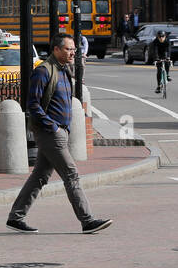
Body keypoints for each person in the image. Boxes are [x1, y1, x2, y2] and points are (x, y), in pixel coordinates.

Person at [7, 34, 112, 234]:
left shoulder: (64, 70)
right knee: (71, 174)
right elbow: (33, 105)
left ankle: (16, 217)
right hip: (50, 133)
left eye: (73, 49)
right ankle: (87, 220)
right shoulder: (44, 71)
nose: (72, 52)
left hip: (59, 132)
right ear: (56, 49)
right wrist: (53, 126)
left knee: (39, 176)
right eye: (68, 49)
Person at [149, 29, 172, 95]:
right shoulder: (155, 42)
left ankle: (167, 75)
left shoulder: (167, 41)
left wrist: (168, 57)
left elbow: (169, 49)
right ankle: (158, 86)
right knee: (159, 70)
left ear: (165, 36)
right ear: (157, 37)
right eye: (160, 37)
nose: (161, 38)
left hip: (164, 53)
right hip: (158, 54)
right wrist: (156, 58)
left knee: (167, 62)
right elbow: (155, 51)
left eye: (163, 36)